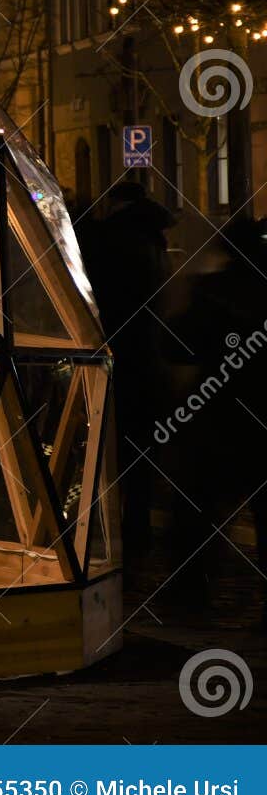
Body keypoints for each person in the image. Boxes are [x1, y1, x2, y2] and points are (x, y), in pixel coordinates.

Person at [163, 217, 267, 624]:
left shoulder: (211, 289)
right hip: (258, 411)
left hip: (218, 411)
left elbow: (177, 343)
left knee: (198, 505)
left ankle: (189, 591)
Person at [79, 178, 174, 564]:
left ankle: (109, 532)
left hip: (119, 355)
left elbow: (102, 297)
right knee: (141, 451)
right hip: (148, 356)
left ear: (115, 204)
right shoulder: (154, 239)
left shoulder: (113, 241)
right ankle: (136, 529)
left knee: (111, 446)